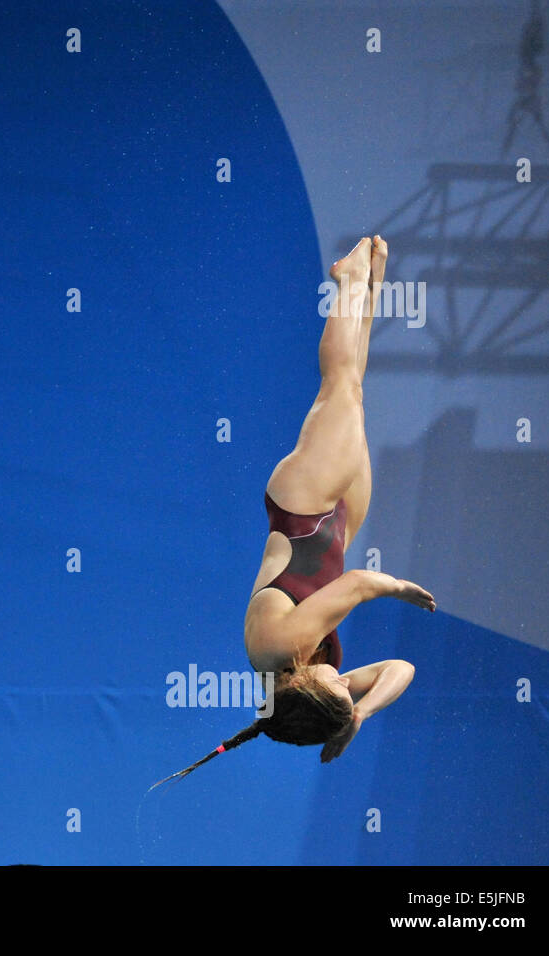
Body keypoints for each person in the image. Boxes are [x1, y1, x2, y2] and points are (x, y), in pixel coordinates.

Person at [151, 236, 435, 790]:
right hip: (337, 523)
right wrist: (360, 714)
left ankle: (348, 279)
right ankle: (369, 285)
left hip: (303, 507)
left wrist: (401, 588)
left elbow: (358, 584)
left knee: (339, 388)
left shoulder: (279, 652)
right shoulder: (306, 673)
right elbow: (400, 670)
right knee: (355, 392)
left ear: (305, 689)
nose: (346, 681)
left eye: (341, 692)